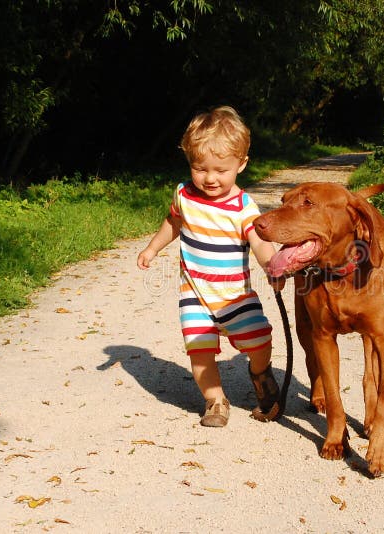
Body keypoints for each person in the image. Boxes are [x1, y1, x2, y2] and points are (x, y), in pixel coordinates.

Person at [137, 106, 283, 428]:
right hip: (195, 294)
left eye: (220, 170)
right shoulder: (184, 196)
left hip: (234, 295)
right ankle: (215, 400)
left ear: (241, 164)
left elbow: (258, 241)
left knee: (260, 341)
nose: (210, 178)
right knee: (199, 351)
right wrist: (152, 248)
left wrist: (273, 263)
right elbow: (172, 223)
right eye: (199, 168)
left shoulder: (243, 206)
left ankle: (259, 371)